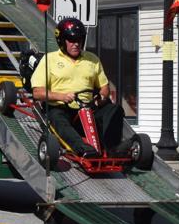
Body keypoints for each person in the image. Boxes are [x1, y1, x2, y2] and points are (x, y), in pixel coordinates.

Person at [30, 18, 126, 158]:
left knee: (115, 109)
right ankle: (83, 149)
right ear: (62, 40)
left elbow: (104, 87)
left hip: (88, 108)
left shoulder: (92, 59)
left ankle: (113, 149)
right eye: (71, 40)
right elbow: (37, 93)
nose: (76, 44)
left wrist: (101, 97)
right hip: (60, 108)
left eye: (79, 40)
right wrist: (62, 96)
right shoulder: (49, 59)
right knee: (58, 119)